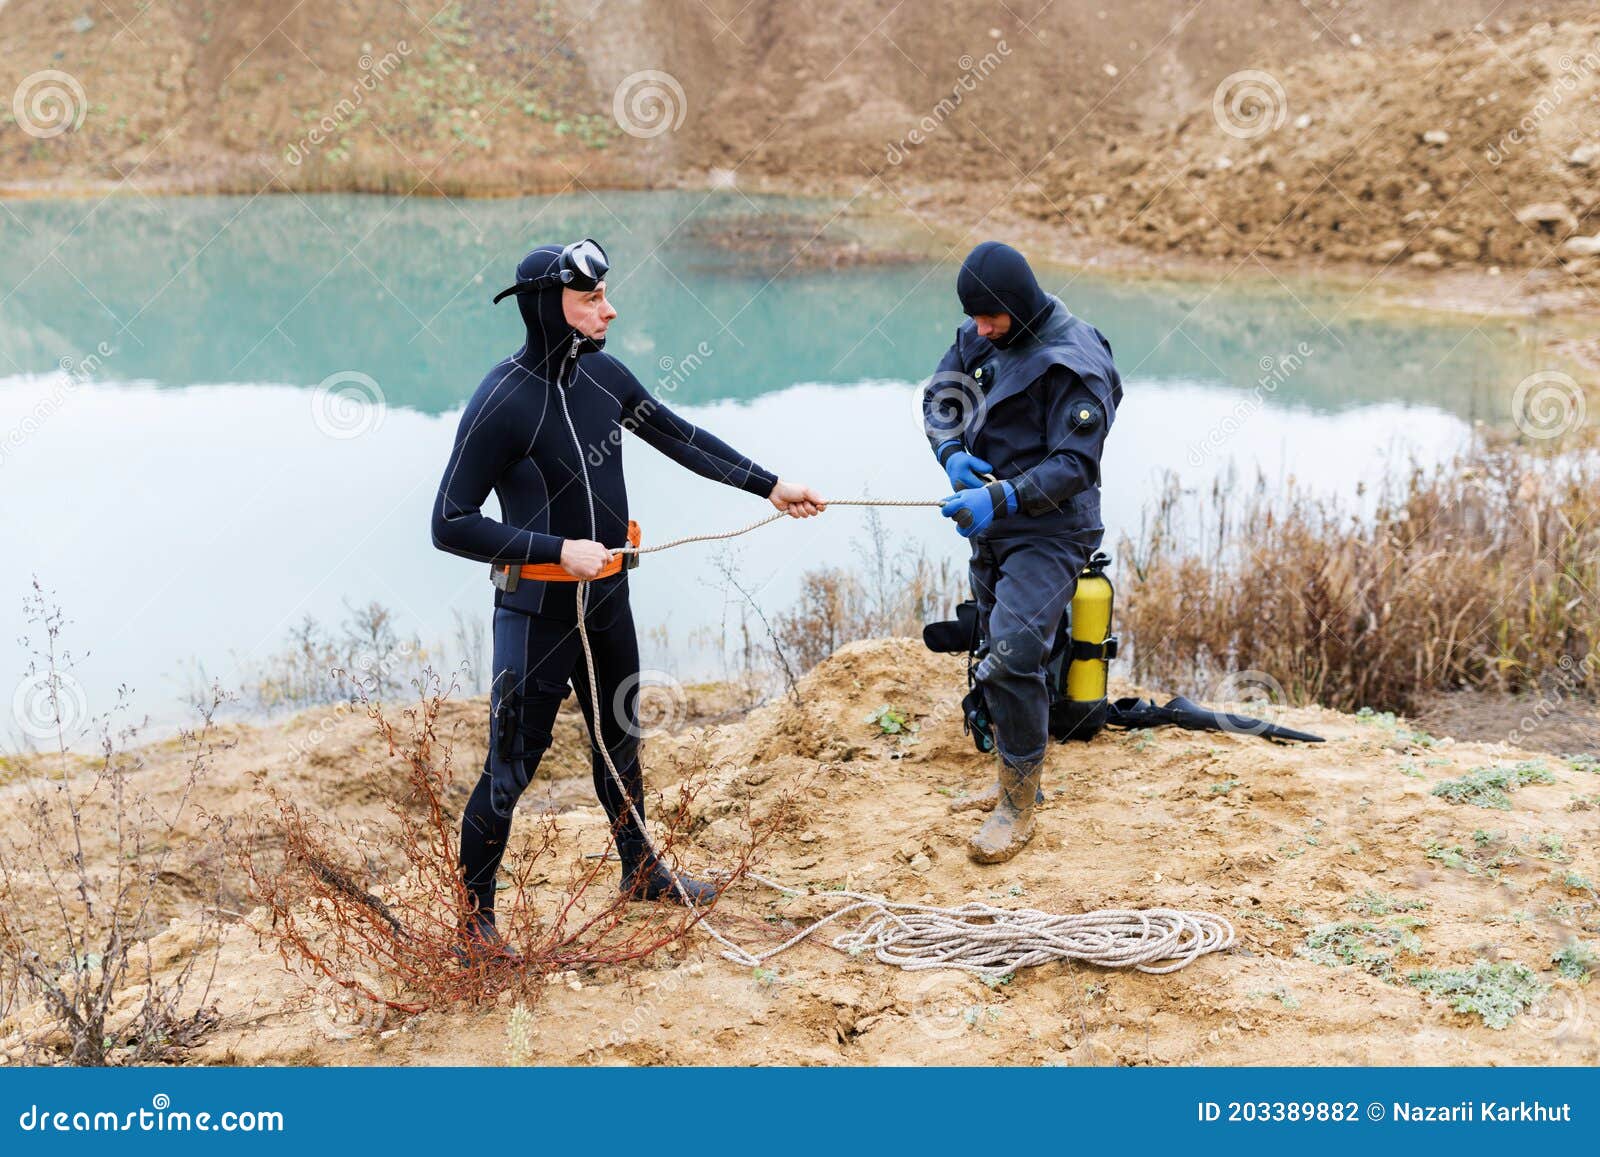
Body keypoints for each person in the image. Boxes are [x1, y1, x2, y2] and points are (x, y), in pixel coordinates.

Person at [432, 238, 825, 961]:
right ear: (550, 307)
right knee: (510, 766)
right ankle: (474, 924)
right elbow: (449, 522)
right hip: (537, 613)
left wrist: (770, 485)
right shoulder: (501, 400)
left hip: (608, 600)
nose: (608, 308)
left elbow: (680, 436)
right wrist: (553, 551)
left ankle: (641, 873)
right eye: (591, 299)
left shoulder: (605, 376)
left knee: (622, 740)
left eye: (607, 294)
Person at [924, 241, 1122, 864]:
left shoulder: (1074, 360)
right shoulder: (980, 334)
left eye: (991, 319)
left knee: (1011, 653)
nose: (980, 330)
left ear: (1023, 304)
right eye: (975, 318)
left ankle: (1019, 804)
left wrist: (1003, 497)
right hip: (994, 523)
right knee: (993, 643)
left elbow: (1073, 464)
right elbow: (941, 398)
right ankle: (1010, 776)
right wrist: (950, 452)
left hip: (1052, 529)